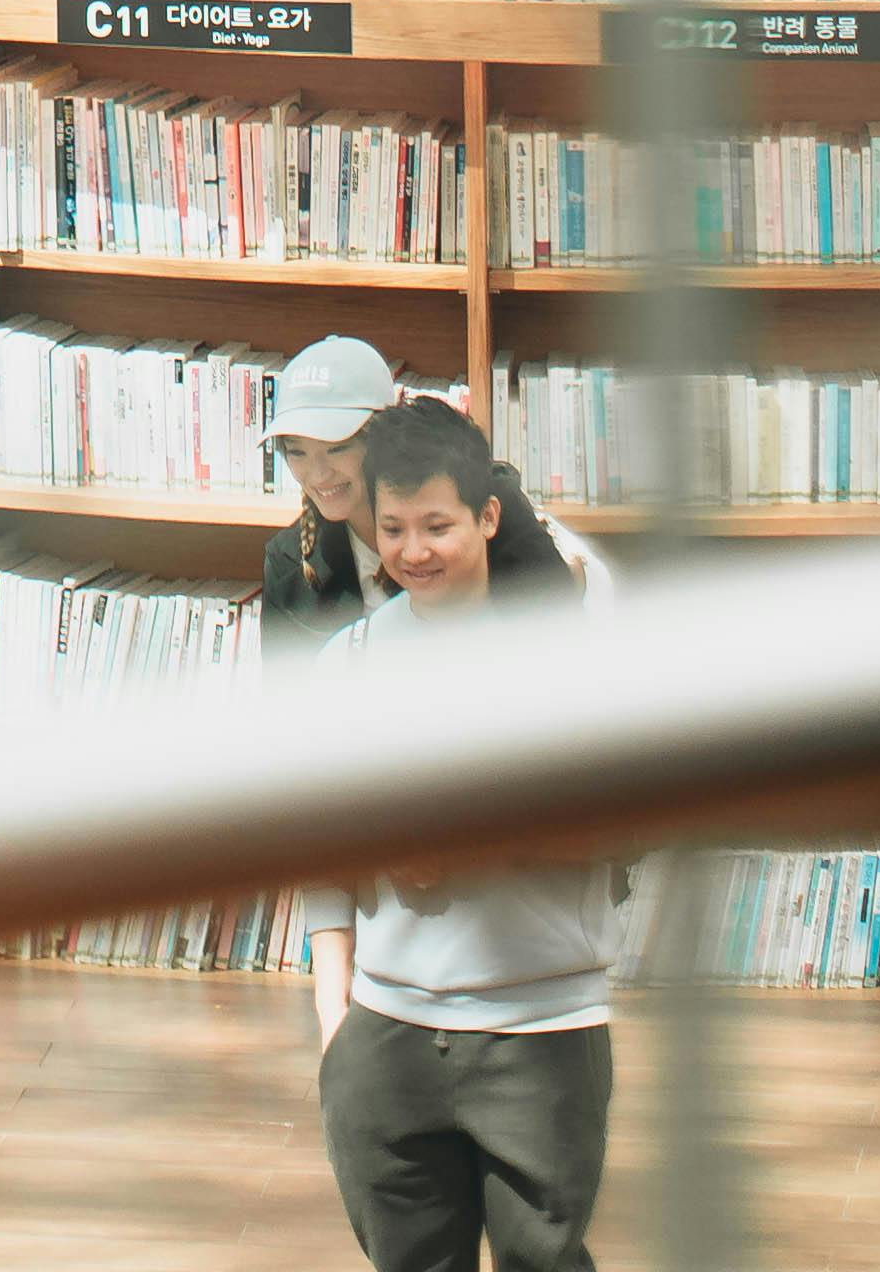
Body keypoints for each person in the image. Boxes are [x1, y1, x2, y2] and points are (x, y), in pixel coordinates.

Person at [304, 392, 628, 1272]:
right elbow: (321, 863)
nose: (414, 550)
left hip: (544, 1030)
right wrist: (336, 1029)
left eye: (438, 525)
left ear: (488, 517)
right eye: (395, 526)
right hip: (386, 1035)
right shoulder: (349, 667)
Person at [258, 330, 404, 647]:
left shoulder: (472, 515)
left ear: (383, 437)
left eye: (337, 447)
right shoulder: (288, 563)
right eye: (297, 452)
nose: (320, 474)